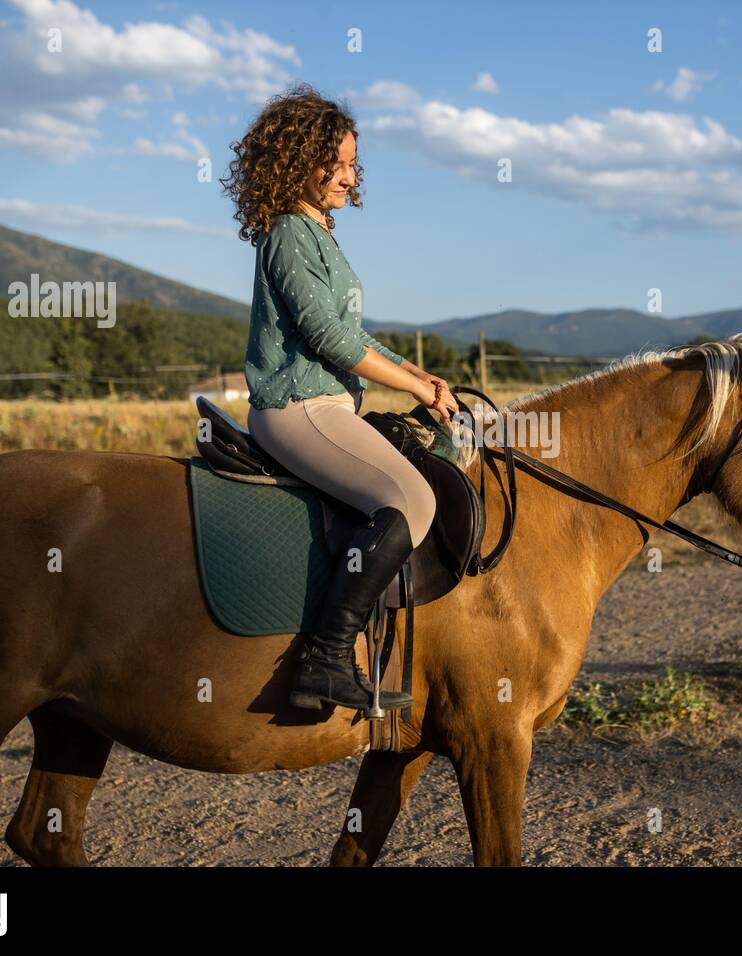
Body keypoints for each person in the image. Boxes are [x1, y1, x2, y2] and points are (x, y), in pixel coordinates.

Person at [221, 83, 458, 713]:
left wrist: (422, 376)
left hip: (327, 406)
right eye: (342, 163)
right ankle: (324, 660)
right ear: (300, 160)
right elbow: (328, 339)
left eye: (354, 164)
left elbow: (351, 332)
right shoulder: (289, 234)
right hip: (298, 406)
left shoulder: (318, 233)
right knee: (410, 498)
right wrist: (408, 384)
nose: (352, 178)